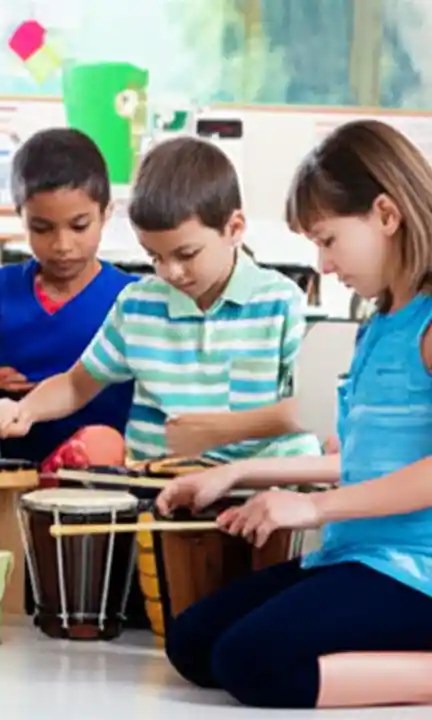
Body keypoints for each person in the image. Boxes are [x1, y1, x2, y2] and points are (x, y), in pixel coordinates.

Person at [156, 119, 432, 710]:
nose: (324, 265)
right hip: (358, 554)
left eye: (328, 240)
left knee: (252, 663)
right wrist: (236, 475)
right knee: (193, 644)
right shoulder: (380, 324)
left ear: (386, 215)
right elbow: (368, 468)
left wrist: (311, 507)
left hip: (419, 572)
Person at [0, 136, 322, 464]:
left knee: (305, 448)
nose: (170, 272)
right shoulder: (137, 305)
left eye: (186, 254)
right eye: (154, 256)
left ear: (234, 228)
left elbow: (311, 410)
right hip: (156, 484)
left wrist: (219, 430)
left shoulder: (280, 303)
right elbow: (76, 384)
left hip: (251, 485)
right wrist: (24, 409)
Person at [0, 127, 135, 462]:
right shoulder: (1, 290)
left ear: (106, 214)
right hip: (7, 468)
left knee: (100, 442)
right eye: (41, 228)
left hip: (98, 476)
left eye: (79, 226)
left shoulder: (132, 298)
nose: (62, 245)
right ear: (21, 217)